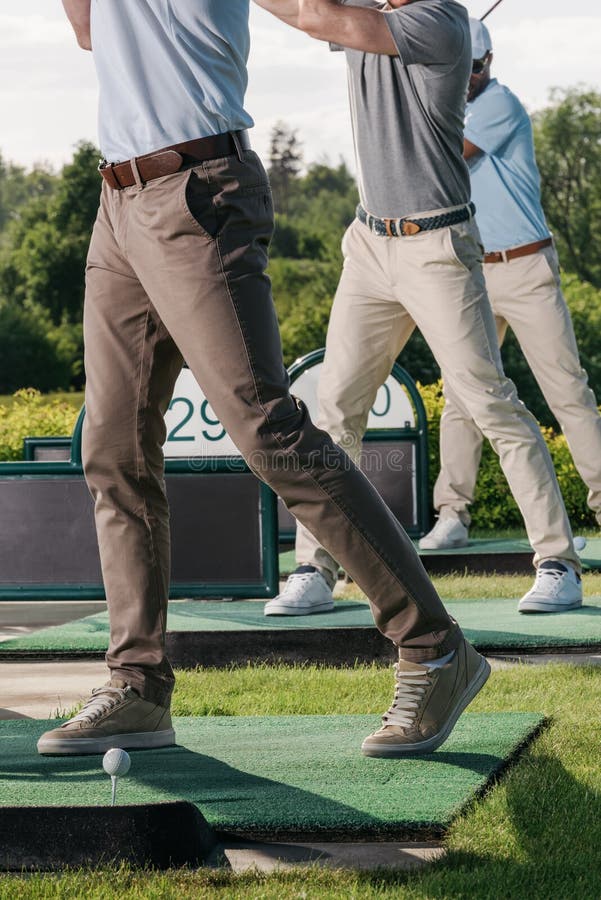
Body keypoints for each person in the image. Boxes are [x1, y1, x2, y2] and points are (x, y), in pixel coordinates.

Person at [37, 0, 490, 759]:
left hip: (197, 191)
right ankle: (138, 686)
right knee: (113, 452)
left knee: (269, 429)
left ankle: (434, 648)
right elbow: (88, 31)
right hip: (116, 204)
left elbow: (315, 14)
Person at [259, 0, 582, 621]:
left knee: (488, 400)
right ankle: (314, 571)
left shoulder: (439, 20)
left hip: (437, 245)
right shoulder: (372, 13)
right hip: (369, 244)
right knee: (334, 409)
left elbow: (313, 16)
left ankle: (557, 563)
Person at [420, 18, 601, 590]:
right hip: (471, 269)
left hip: (525, 267)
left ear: (489, 62)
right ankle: (453, 513)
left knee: (567, 390)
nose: (470, 75)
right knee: (462, 399)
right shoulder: (453, 94)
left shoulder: (499, 105)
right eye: (461, 65)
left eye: (476, 66)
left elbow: (446, 156)